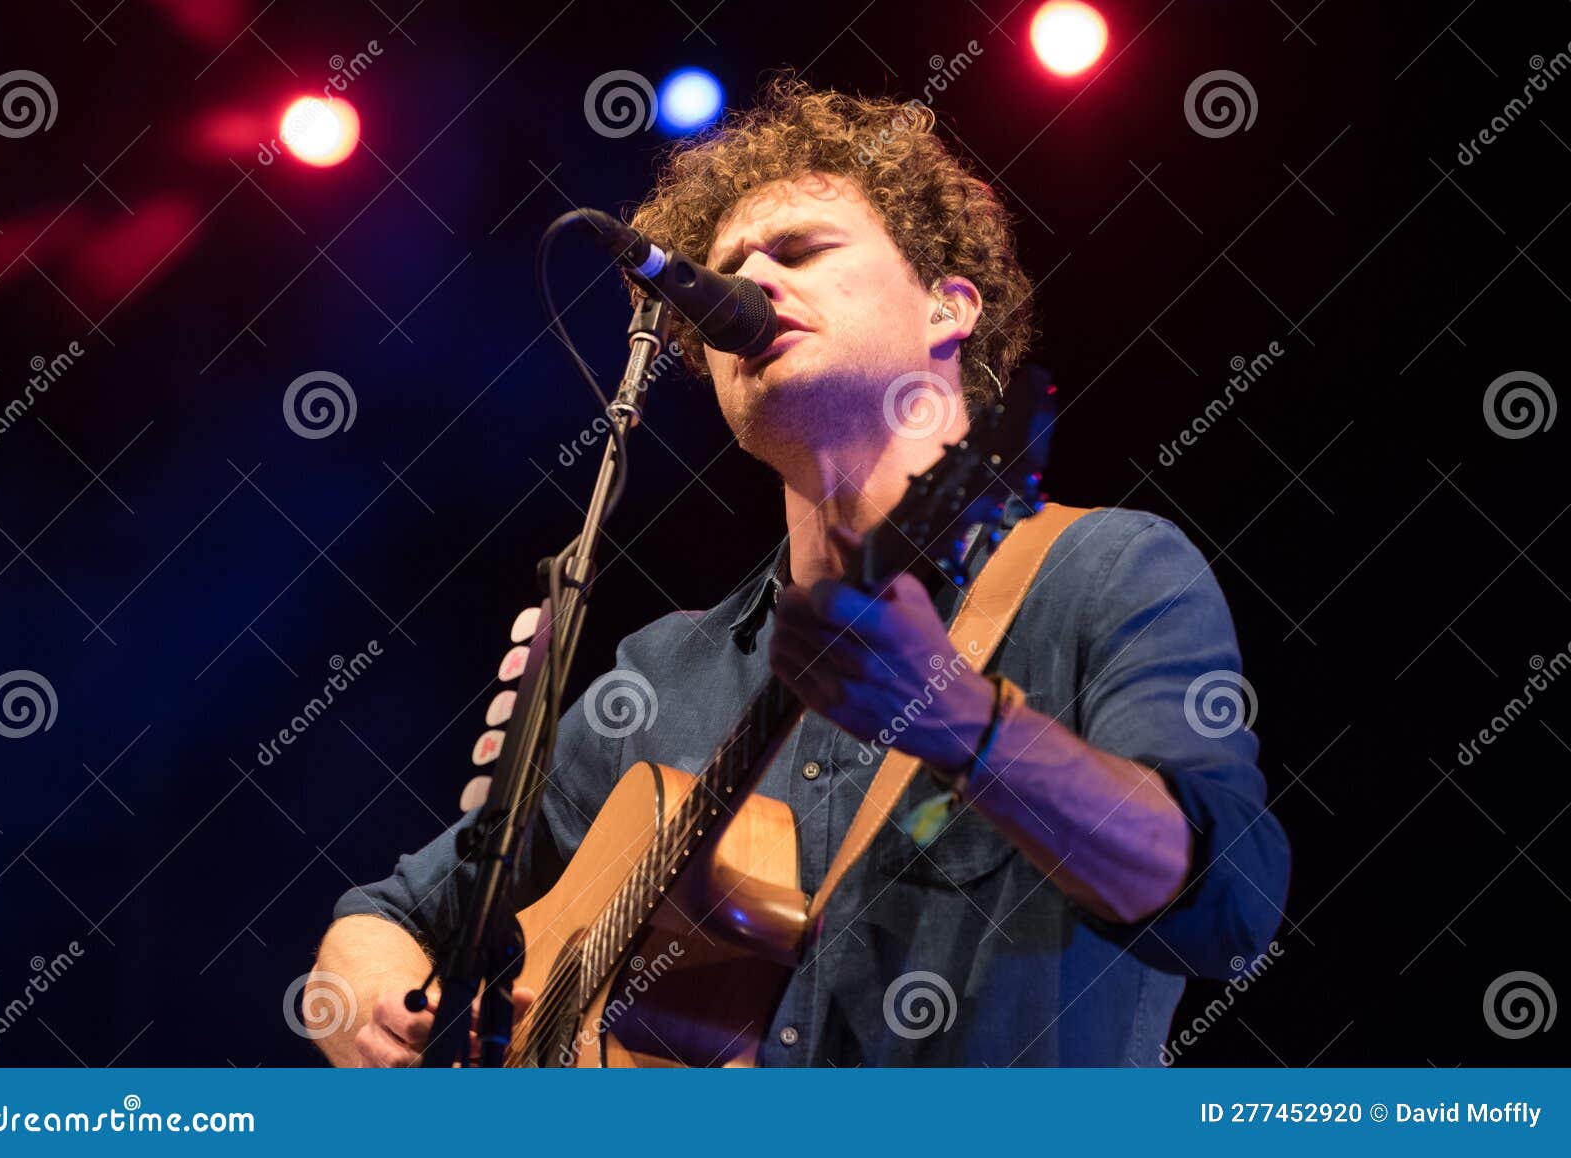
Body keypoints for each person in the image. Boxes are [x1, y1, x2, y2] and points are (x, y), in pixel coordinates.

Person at [308, 77, 1290, 1067]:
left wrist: (964, 727)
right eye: (727, 267)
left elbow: (1231, 912)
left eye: (801, 251)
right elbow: (399, 913)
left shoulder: (1102, 571)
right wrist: (357, 974)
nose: (748, 285)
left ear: (947, 307)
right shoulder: (660, 672)